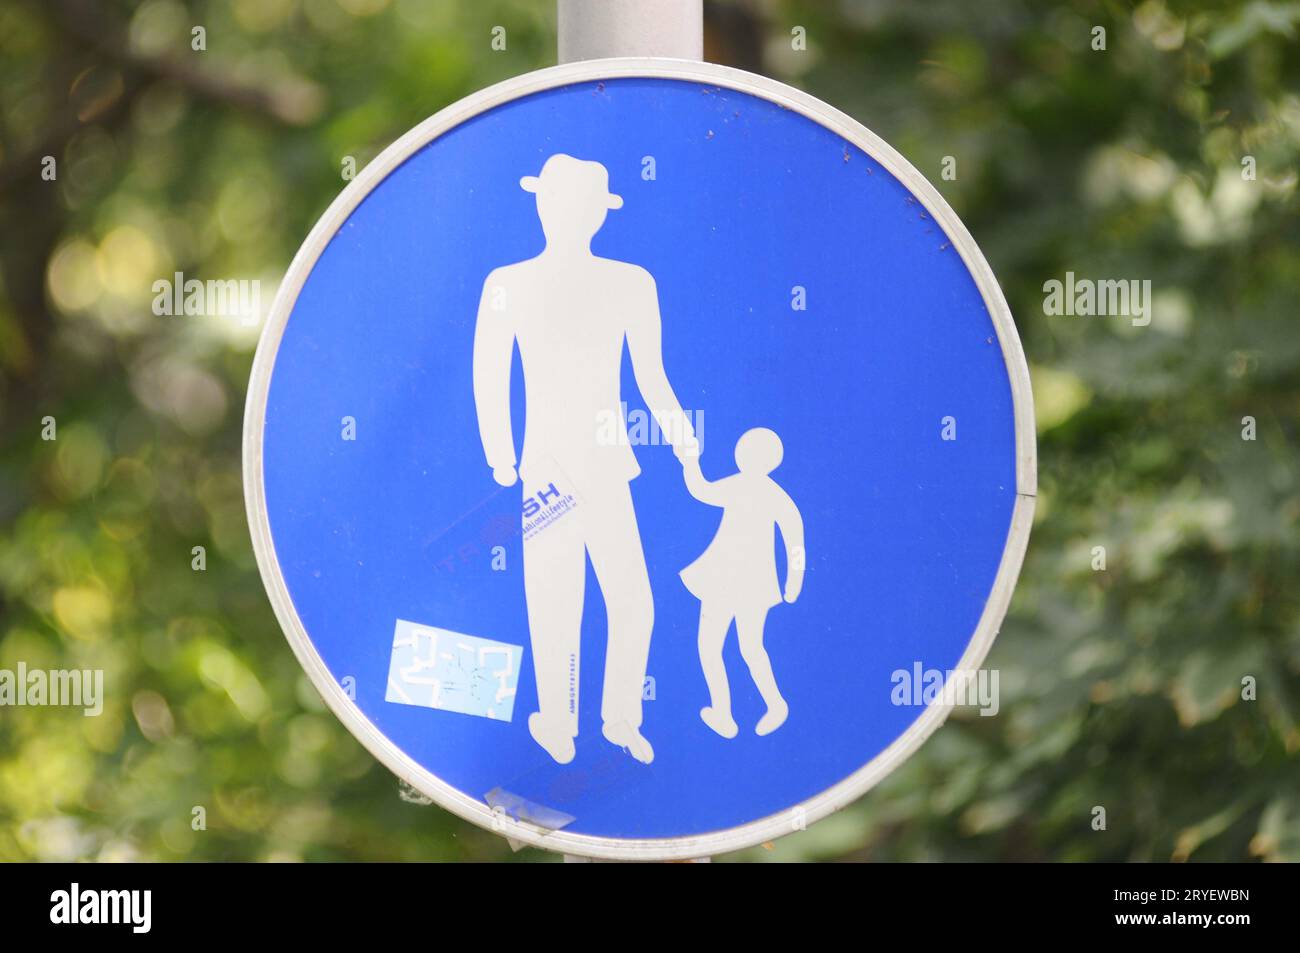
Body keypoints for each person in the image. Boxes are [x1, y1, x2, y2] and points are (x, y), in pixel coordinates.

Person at [472, 154, 697, 765]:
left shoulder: (630, 282)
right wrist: (500, 452)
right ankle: (559, 723)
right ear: (543, 207)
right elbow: (489, 373)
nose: (562, 214)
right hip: (544, 467)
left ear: (595, 215)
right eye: (557, 203)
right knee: (557, 596)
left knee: (629, 598)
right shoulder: (508, 283)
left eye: (574, 205)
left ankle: (620, 719)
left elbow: (651, 376)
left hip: (601, 463)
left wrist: (680, 436)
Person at [680, 428, 804, 738]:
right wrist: (689, 462)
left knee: (740, 648)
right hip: (727, 580)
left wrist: (794, 583)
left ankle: (771, 705)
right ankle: (724, 712)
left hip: (744, 583)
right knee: (719, 647)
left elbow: (795, 543)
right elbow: (702, 491)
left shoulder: (772, 495)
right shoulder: (751, 489)